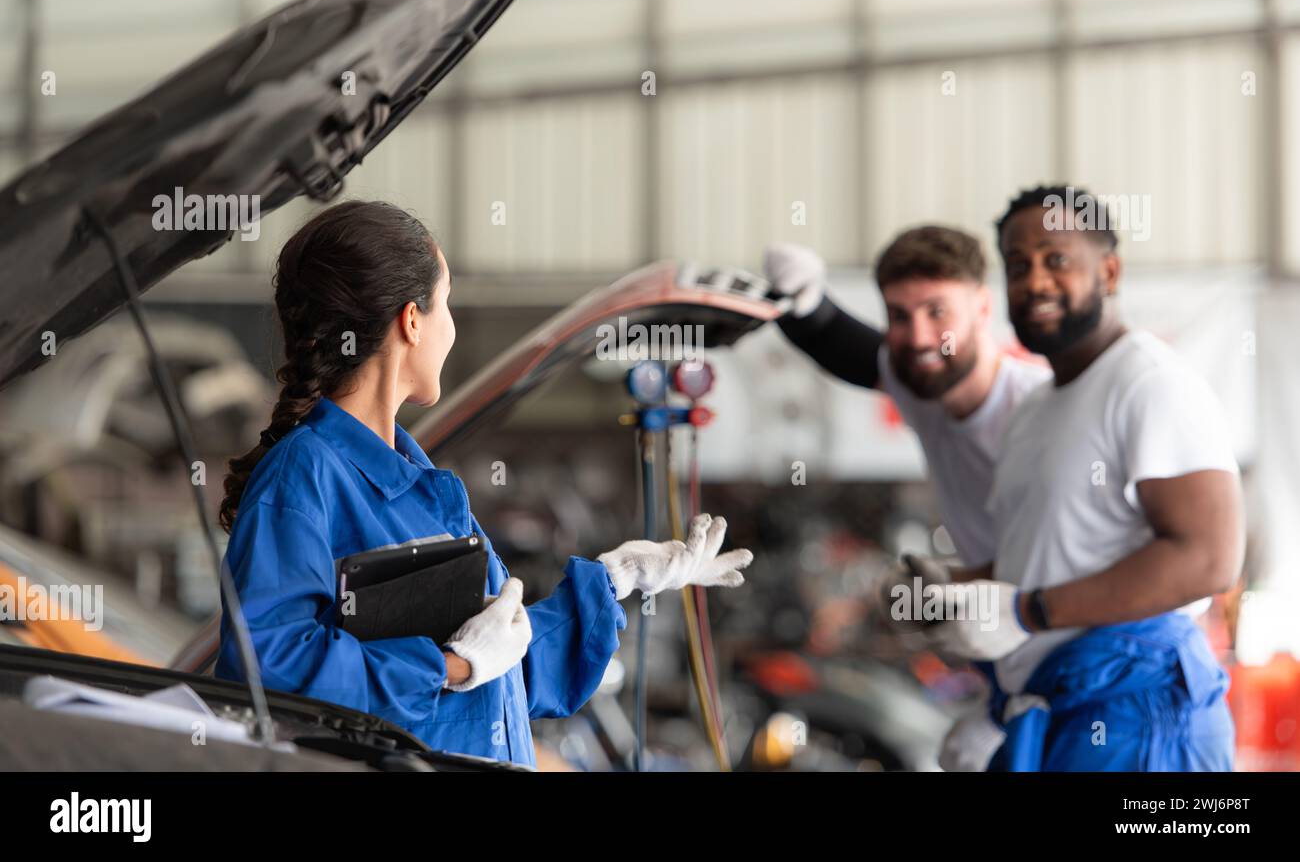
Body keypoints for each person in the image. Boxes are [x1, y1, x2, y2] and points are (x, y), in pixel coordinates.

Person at [214, 200, 752, 767]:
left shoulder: (417, 484)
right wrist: (452, 666)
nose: (452, 328)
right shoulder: (305, 475)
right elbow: (270, 672)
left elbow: (504, 680)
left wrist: (617, 581)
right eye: (447, 304)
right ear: (412, 319)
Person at [931, 185, 1243, 771]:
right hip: (1056, 709)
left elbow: (1209, 558)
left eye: (1056, 260)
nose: (1035, 282)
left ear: (1109, 270)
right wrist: (940, 595)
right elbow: (1046, 558)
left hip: (1138, 714)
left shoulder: (1149, 384)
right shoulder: (1035, 409)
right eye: (1018, 266)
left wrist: (1029, 613)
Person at [765, 227, 1049, 769]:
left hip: (1091, 667)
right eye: (899, 316)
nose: (919, 336)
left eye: (938, 311)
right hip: (1012, 669)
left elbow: (1106, 563)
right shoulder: (922, 382)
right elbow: (849, 348)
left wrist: (1009, 699)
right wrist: (804, 304)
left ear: (983, 307)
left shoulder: (1037, 412)